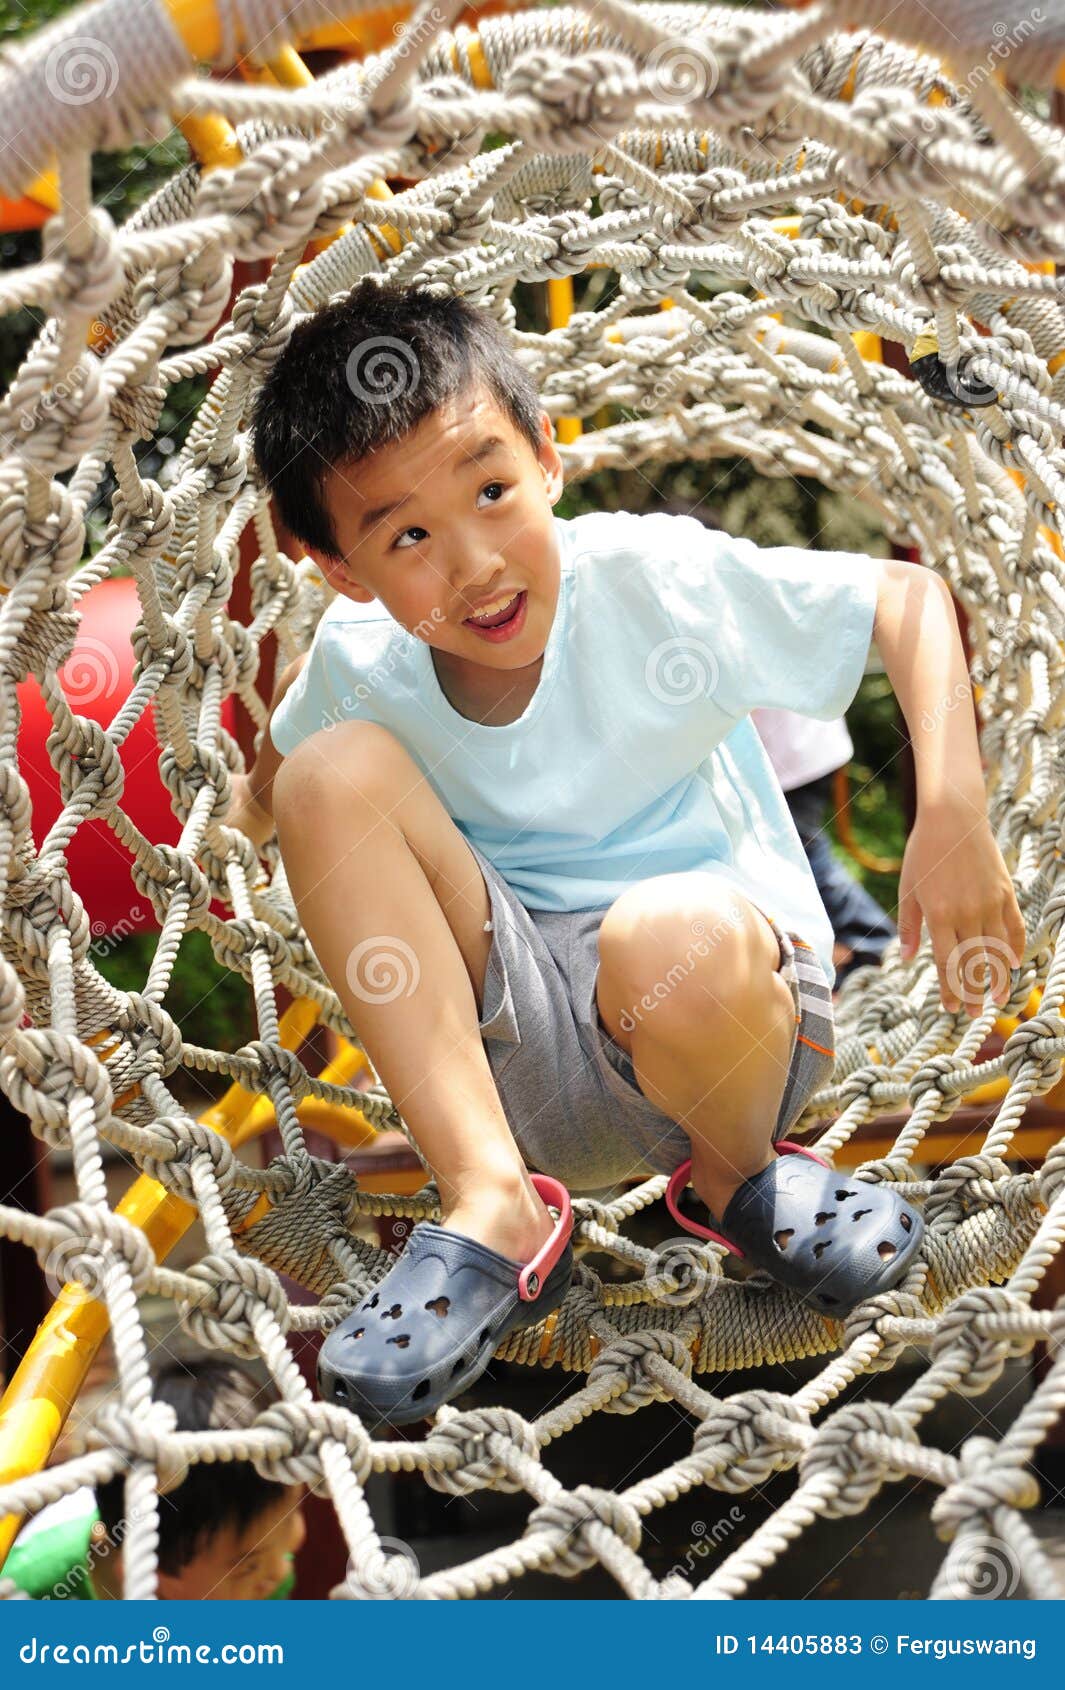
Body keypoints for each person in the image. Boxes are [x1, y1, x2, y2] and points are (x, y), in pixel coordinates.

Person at [230, 277, 1023, 1426]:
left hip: (723, 1024)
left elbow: (906, 600)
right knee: (330, 771)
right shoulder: (360, 663)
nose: (476, 563)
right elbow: (281, 793)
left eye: (493, 490)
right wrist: (215, 841)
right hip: (508, 1063)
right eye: (408, 535)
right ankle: (492, 1199)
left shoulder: (655, 580)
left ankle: (742, 1174)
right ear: (343, 571)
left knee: (667, 935)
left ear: (549, 458)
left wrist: (951, 810)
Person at [2, 1357, 306, 1599]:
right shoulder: (35, 1588)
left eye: (291, 1520)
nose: (280, 1572)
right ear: (150, 1571)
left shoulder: (259, 1569)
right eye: (248, 1566)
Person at [752, 706, 897, 986]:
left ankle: (874, 942)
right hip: (803, 749)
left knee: (805, 857)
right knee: (802, 855)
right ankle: (870, 944)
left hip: (788, 757)